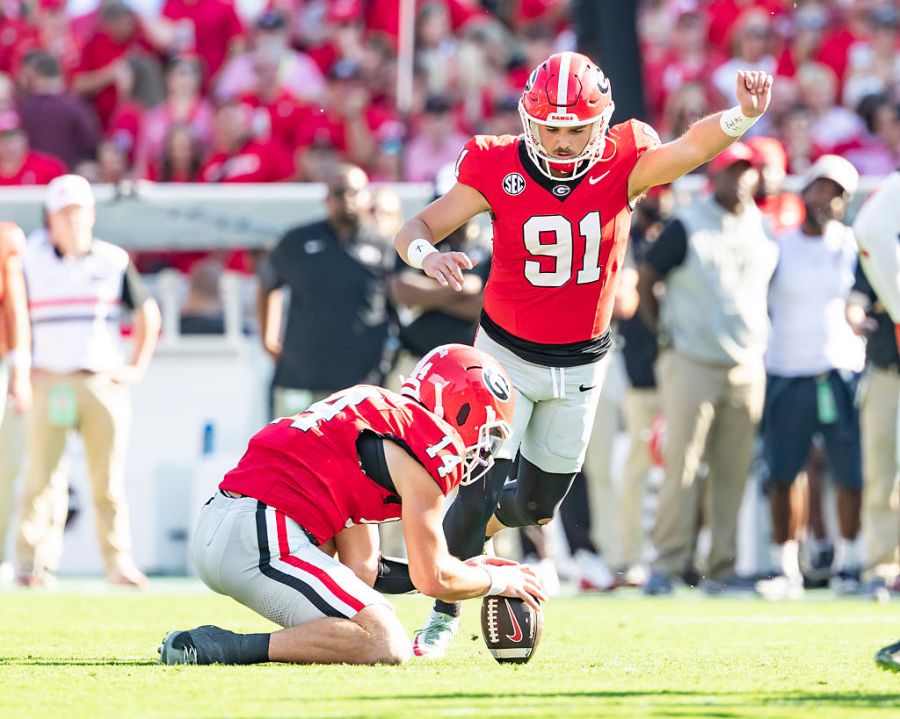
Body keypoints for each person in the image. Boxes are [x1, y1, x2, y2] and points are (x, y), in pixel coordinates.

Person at [394, 50, 774, 656]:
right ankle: (442, 611)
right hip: (503, 356)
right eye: (551, 127)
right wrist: (427, 255)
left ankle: (454, 538)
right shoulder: (496, 163)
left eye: (576, 128)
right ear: (529, 121)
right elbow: (413, 228)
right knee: (480, 489)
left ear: (601, 122)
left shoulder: (625, 158)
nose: (563, 141)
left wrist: (742, 116)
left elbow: (689, 149)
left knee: (536, 506)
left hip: (582, 361)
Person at [158, 343, 545, 666]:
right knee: (385, 641)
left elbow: (363, 569)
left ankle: (226, 645)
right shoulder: (429, 446)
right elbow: (434, 579)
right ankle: (224, 647)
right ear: (458, 407)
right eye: (486, 433)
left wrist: (464, 570)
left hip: (229, 523)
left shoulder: (373, 410)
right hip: (263, 531)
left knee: (357, 615)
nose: (483, 449)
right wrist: (497, 580)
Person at [637, 144, 777, 596]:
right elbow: (647, 278)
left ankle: (721, 566)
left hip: (747, 361)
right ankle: (667, 563)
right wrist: (664, 334)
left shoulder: (763, 226)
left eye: (747, 171)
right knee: (682, 463)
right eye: (732, 171)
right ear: (713, 177)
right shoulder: (686, 223)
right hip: (691, 358)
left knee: (733, 471)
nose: (741, 179)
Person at [16, 174, 161, 587]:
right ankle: (31, 565)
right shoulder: (28, 259)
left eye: (79, 211)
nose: (73, 220)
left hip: (100, 380)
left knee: (108, 480)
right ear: (50, 218)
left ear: (92, 214)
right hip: (50, 379)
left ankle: (118, 563)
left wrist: (135, 368)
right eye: (65, 213)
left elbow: (148, 314)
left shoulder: (113, 260)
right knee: (41, 478)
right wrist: (23, 367)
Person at [754, 156, 864, 600]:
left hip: (841, 371)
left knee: (850, 474)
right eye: (820, 188)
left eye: (836, 194)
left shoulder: (853, 245)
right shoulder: (778, 244)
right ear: (805, 190)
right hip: (786, 370)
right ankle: (786, 568)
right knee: (784, 473)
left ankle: (848, 564)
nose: (825, 200)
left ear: (845, 203)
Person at [257, 163, 398, 418]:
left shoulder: (384, 247)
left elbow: (396, 303)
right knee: (291, 443)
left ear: (367, 197)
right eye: (339, 192)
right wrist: (268, 337)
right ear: (326, 198)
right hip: (300, 377)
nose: (347, 199)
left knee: (356, 446)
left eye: (354, 192)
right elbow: (268, 282)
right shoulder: (297, 241)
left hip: (361, 386)